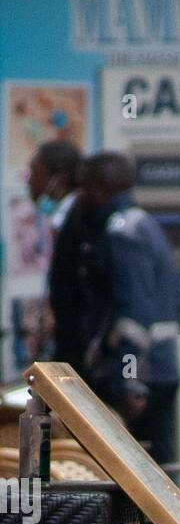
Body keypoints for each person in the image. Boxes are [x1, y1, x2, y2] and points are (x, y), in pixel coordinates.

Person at [55, 151, 180, 524]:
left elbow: (132, 317)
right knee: (158, 479)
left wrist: (131, 384)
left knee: (141, 486)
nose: (81, 198)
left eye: (86, 188)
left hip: (140, 381)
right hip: (159, 373)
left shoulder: (118, 232)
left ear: (100, 188)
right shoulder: (141, 223)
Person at [26, 139, 82, 359]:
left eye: (35, 173)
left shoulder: (73, 219)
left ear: (59, 179)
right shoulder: (60, 218)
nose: (29, 181)